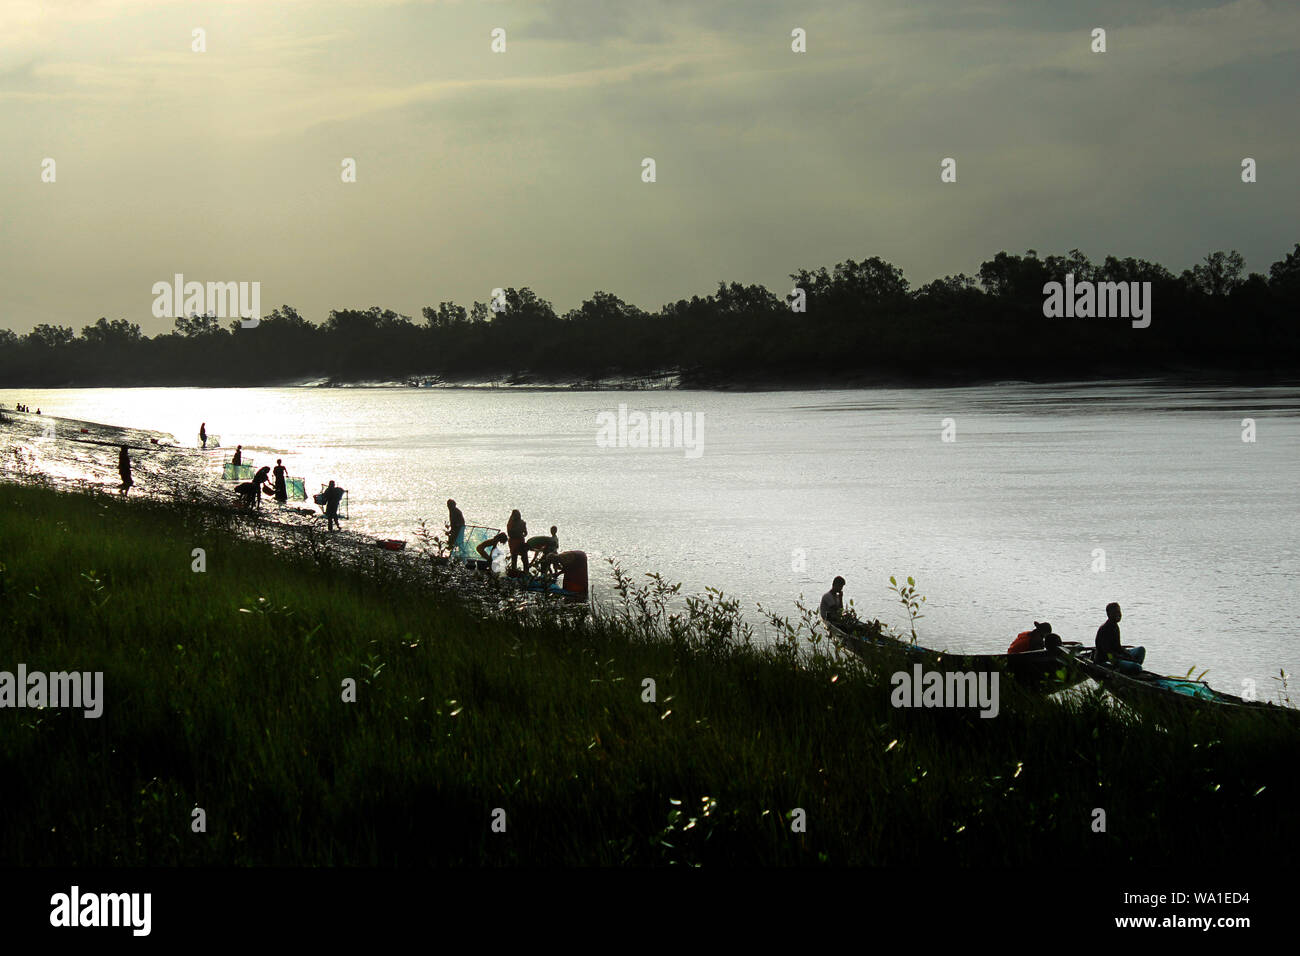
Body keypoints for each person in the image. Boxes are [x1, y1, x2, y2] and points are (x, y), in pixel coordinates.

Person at [1094, 602, 1145, 672]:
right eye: (1115, 613)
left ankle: (1131, 667)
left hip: (1117, 655)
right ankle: (1132, 668)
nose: (1119, 615)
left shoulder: (1115, 627)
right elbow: (1108, 653)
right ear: (1109, 614)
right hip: (1107, 660)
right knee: (1137, 668)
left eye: (1119, 612)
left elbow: (1118, 647)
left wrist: (1127, 654)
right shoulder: (1104, 629)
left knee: (1141, 650)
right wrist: (1121, 659)